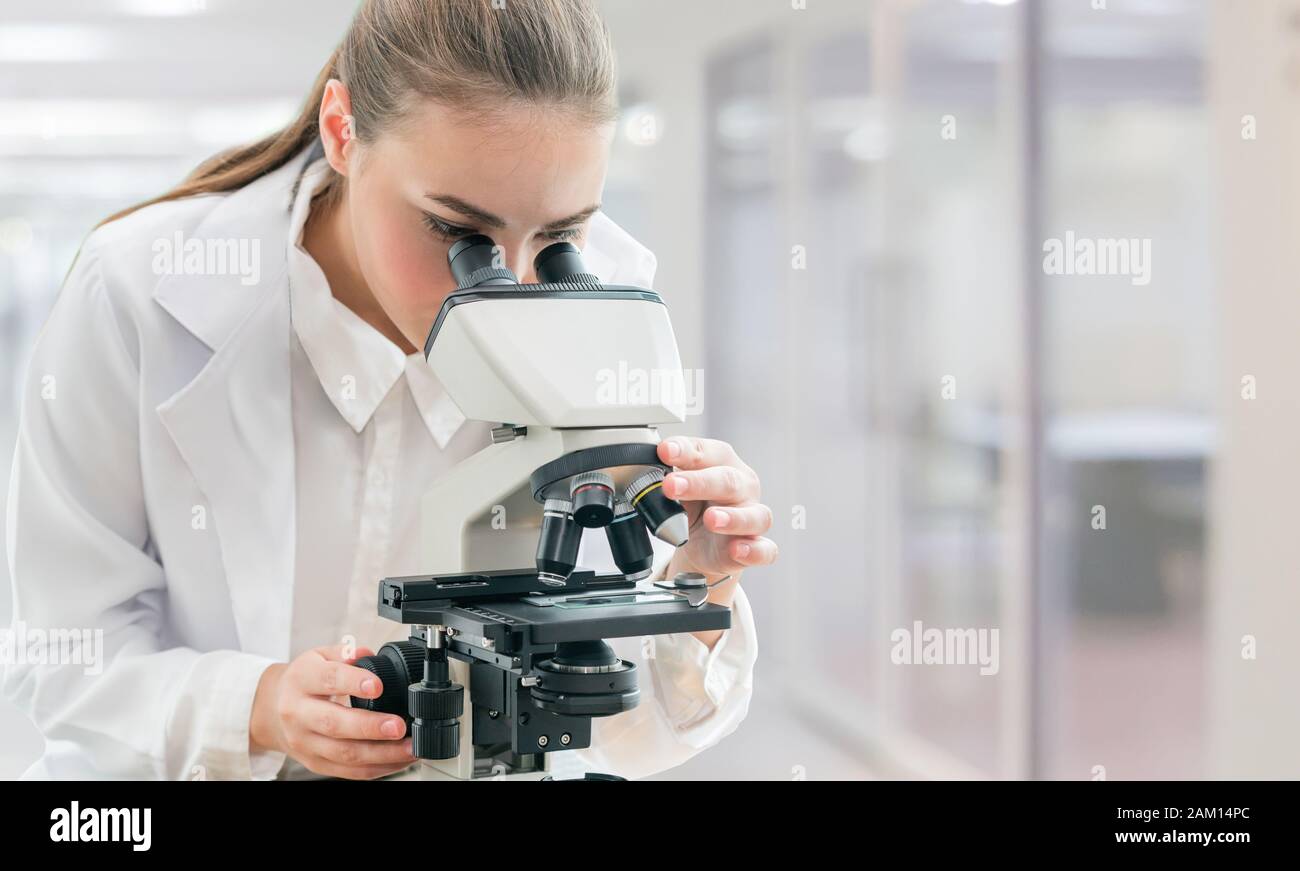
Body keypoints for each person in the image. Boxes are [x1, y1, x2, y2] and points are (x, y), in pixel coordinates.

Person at [2, 0, 776, 780]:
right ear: (343, 133)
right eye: (456, 232)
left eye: (559, 237)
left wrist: (700, 579)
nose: (506, 281)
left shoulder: (605, 300)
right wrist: (257, 706)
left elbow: (628, 717)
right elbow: (64, 653)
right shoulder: (139, 290)